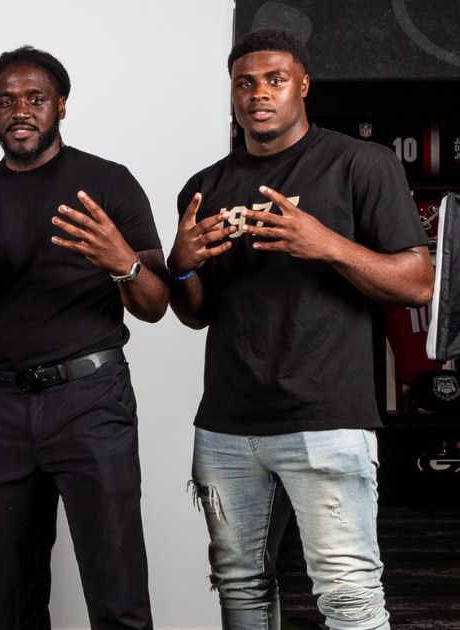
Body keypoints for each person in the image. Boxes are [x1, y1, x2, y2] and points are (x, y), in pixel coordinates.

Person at [169, 29, 432, 629]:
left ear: (303, 85)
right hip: (228, 425)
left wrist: (326, 244)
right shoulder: (204, 187)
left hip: (327, 418)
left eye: (274, 80)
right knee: (239, 586)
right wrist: (181, 267)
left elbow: (417, 283)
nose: (258, 94)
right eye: (244, 83)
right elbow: (196, 313)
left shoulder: (360, 164)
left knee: (347, 594)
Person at [0, 46, 168, 630]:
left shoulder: (107, 182)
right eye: (6, 100)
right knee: (15, 598)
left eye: (34, 98)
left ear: (61, 105)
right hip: (1, 411)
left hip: (90, 402)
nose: (20, 110)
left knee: (117, 591)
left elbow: (155, 305)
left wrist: (121, 262)